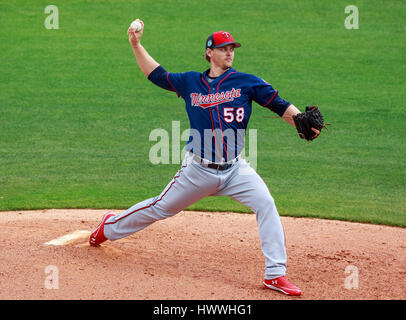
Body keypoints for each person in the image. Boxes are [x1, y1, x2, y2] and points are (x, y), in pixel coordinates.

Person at [89, 19, 320, 296]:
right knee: (160, 209)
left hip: (236, 170)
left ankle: (275, 274)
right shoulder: (190, 82)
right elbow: (156, 74)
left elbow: (280, 106)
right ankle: (109, 226)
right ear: (209, 52)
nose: (230, 53)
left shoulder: (246, 82)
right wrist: (136, 45)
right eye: (223, 49)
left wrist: (301, 121)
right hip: (198, 171)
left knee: (266, 204)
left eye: (232, 48)